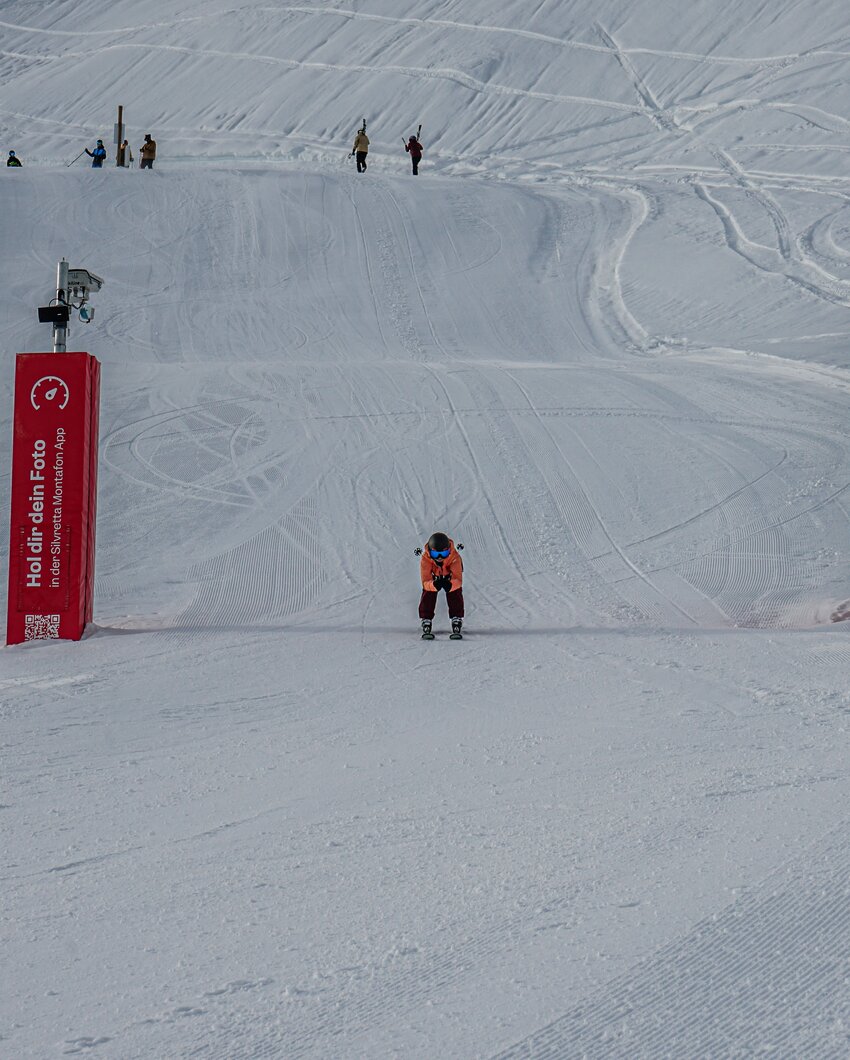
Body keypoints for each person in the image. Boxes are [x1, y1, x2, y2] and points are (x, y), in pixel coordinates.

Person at [418, 532, 463, 636]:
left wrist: (451, 585)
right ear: (430, 552)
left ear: (449, 551)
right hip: (434, 578)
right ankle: (426, 618)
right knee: (428, 592)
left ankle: (456, 617)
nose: (439, 557)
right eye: (435, 554)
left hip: (449, 578)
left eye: (444, 554)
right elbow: (425, 581)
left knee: (455, 591)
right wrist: (433, 585)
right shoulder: (426, 559)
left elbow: (458, 579)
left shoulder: (455, 557)